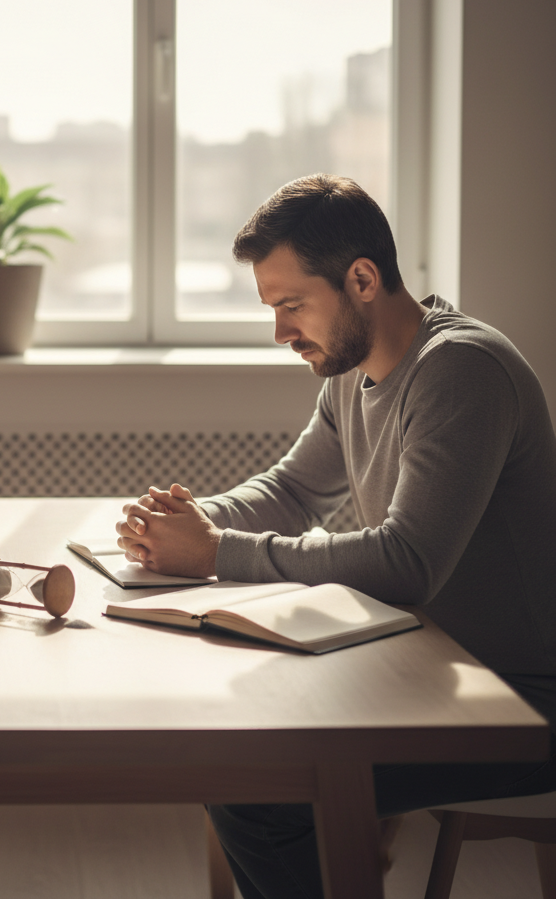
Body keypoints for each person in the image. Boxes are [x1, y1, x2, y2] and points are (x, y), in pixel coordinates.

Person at [114, 174, 556, 899]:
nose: (281, 333)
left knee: (262, 787)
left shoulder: (462, 372)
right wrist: (192, 522)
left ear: (360, 279)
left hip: (518, 703)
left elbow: (407, 562)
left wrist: (215, 553)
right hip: (427, 671)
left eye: (292, 306)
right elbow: (292, 492)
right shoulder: (349, 374)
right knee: (235, 738)